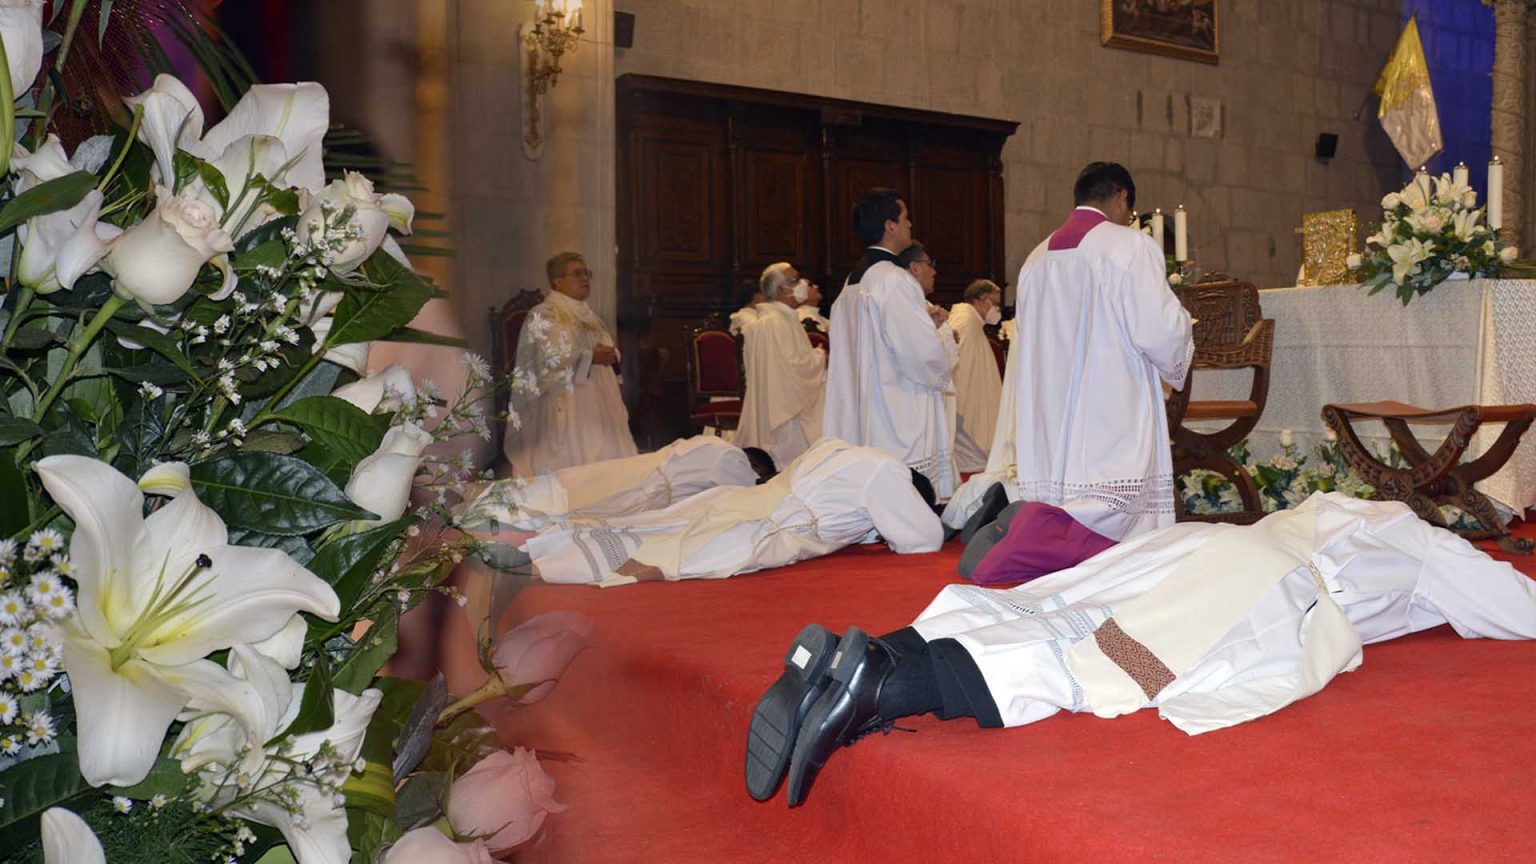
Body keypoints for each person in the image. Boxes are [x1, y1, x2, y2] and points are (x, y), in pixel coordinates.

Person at [743, 493, 1536, 806]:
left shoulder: (1339, 503)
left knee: (1049, 609)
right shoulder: (1430, 545)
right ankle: (884, 689)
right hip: (1260, 586)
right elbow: (1518, 606)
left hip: (1199, 544)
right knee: (1101, 665)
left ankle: (862, 657)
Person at [1001, 162, 1191, 541]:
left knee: (1061, 498)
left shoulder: (1037, 256)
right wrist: (1184, 325)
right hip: (1109, 403)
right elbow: (1158, 329)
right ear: (1121, 196)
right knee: (1116, 506)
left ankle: (1048, 539)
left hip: (1050, 408)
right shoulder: (1130, 244)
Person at [524, 438, 944, 587]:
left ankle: (542, 545)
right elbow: (923, 539)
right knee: (667, 556)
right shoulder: (887, 474)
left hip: (742, 501)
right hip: (768, 528)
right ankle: (552, 565)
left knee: (658, 525)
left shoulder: (848, 450)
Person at [825, 188, 960, 498]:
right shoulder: (893, 279)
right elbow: (920, 354)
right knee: (904, 490)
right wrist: (941, 339)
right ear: (890, 226)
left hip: (865, 401)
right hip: (895, 403)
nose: (910, 224)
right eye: (905, 218)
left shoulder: (853, 281)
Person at [504, 252, 637, 476]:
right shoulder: (544, 314)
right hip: (563, 397)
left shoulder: (589, 315)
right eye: (577, 273)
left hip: (598, 395)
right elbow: (548, 359)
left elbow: (605, 345)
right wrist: (591, 357)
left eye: (587, 273)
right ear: (558, 281)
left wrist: (611, 354)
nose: (585, 278)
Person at [462, 435, 766, 531]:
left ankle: (483, 499)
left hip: (637, 470)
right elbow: (742, 501)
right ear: (754, 465)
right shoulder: (733, 459)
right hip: (641, 489)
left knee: (569, 486)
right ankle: (487, 509)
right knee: (572, 503)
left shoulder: (713, 442)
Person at [736, 262, 828, 467]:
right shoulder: (774, 321)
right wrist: (821, 357)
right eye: (795, 280)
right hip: (784, 410)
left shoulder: (781, 317)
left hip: (783, 400)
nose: (802, 283)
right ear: (781, 290)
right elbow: (793, 368)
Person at [946, 279, 1005, 473]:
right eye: (996, 304)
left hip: (974, 398)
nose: (997, 309)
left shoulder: (973, 322)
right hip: (965, 402)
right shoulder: (964, 319)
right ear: (983, 300)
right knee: (972, 457)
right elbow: (953, 360)